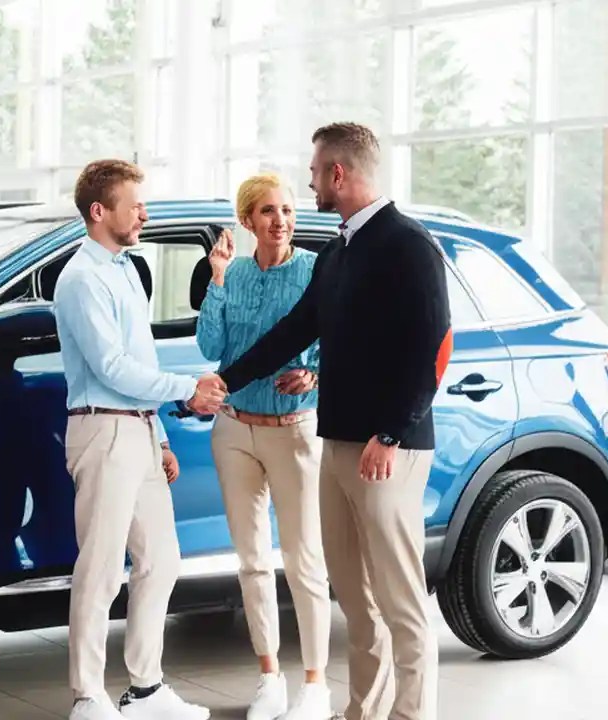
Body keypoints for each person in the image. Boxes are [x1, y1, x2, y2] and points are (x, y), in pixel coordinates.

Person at [216, 123, 452, 720]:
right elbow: (296, 330)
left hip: (387, 449)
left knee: (400, 599)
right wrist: (225, 382)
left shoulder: (408, 244)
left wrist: (391, 434)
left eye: (316, 171)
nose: (312, 182)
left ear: (339, 174)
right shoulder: (338, 251)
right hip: (335, 442)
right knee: (354, 595)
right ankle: (362, 711)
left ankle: (411, 714)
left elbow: (433, 348)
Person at [54, 158, 224, 720]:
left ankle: (145, 691)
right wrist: (187, 389)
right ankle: (88, 697)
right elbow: (110, 367)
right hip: (103, 430)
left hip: (139, 430)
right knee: (101, 569)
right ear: (99, 211)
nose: (144, 214)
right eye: (134, 205)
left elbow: (140, 362)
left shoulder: (127, 269)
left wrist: (162, 435)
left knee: (161, 560)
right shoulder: (82, 279)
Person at [195, 173, 333, 720]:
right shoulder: (235, 273)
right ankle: (269, 676)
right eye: (269, 211)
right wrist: (217, 278)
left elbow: (338, 338)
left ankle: (316, 685)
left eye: (287, 210)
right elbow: (212, 345)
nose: (281, 221)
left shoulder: (315, 270)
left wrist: (316, 375)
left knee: (304, 561)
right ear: (248, 220)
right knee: (252, 562)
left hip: (294, 430)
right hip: (234, 430)